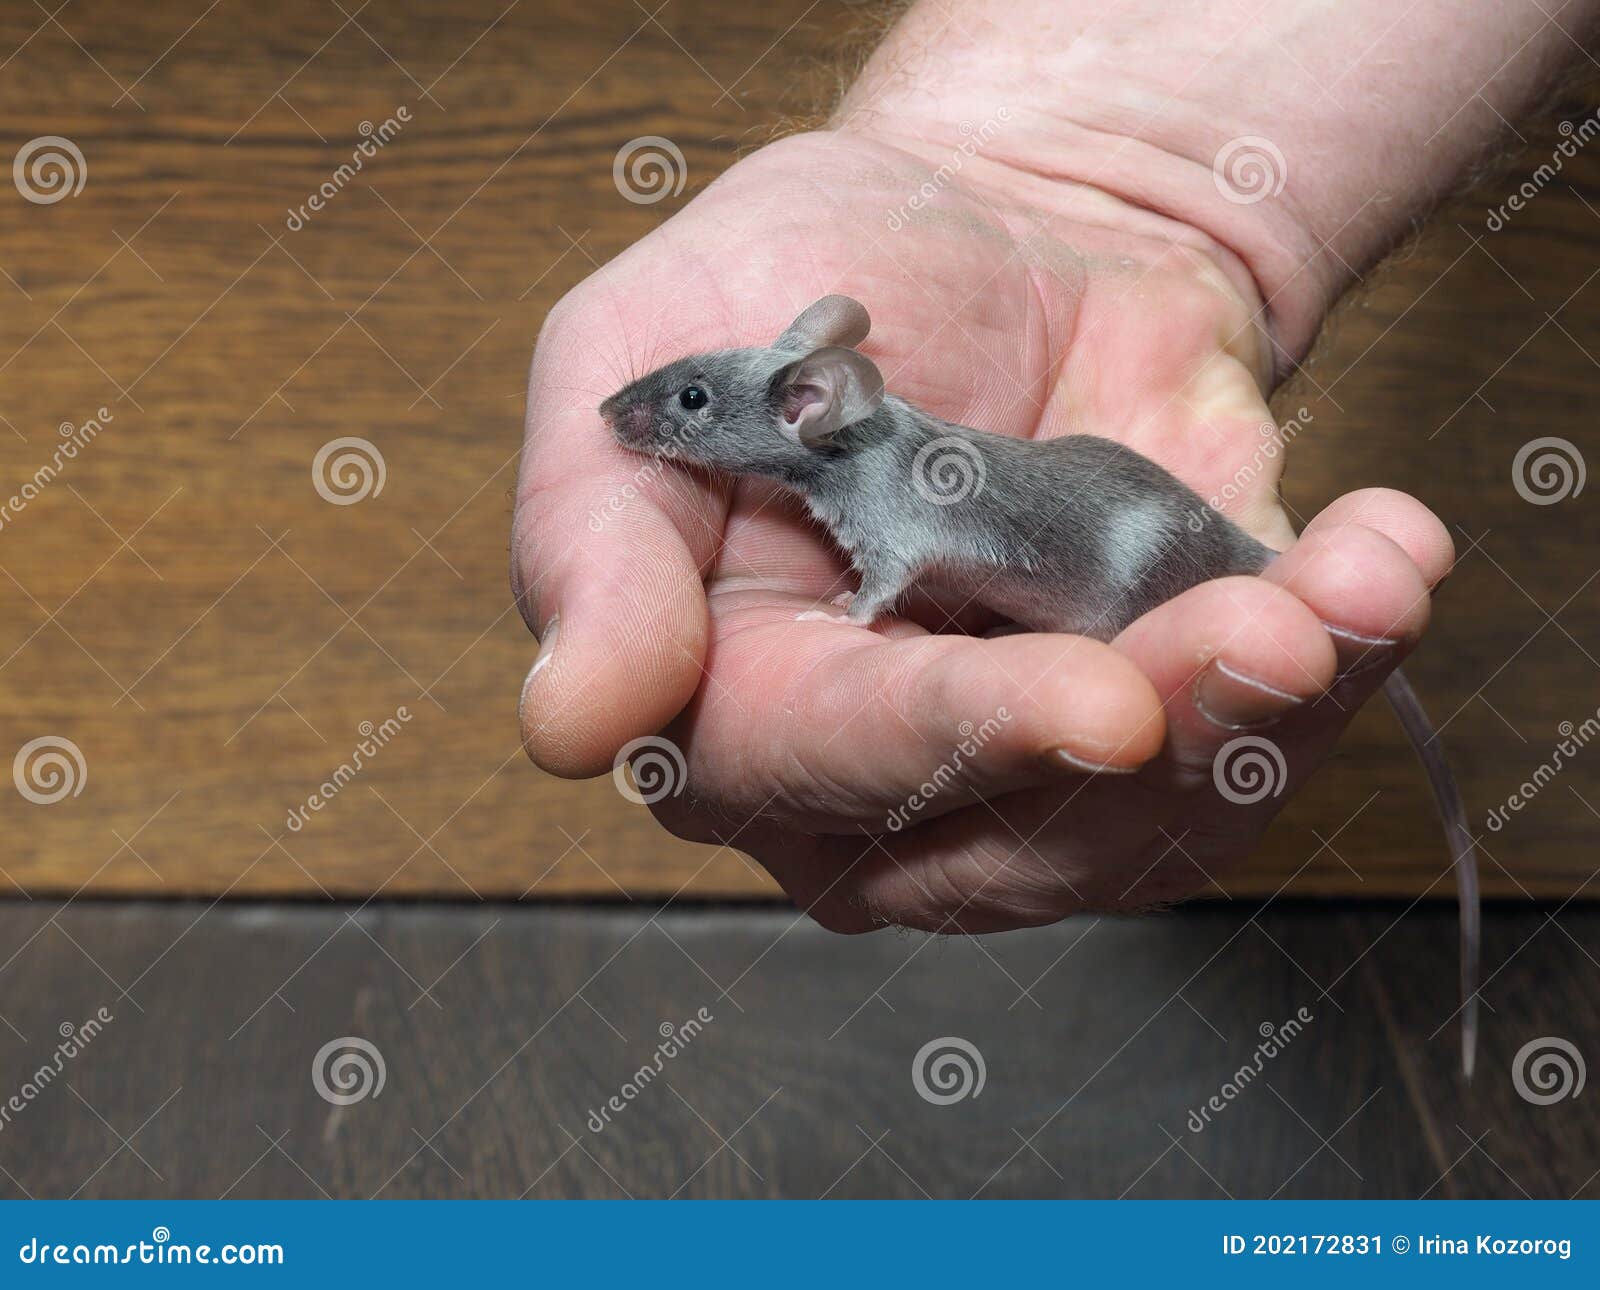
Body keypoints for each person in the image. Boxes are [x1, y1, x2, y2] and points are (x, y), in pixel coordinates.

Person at [510, 0, 1589, 932]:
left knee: (1125, 619)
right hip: (1099, 486)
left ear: (806, 407)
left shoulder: (862, 464)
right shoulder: (831, 440)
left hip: (1125, 546)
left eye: (689, 405)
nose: (654, 415)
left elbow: (903, 542)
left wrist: (865, 603)